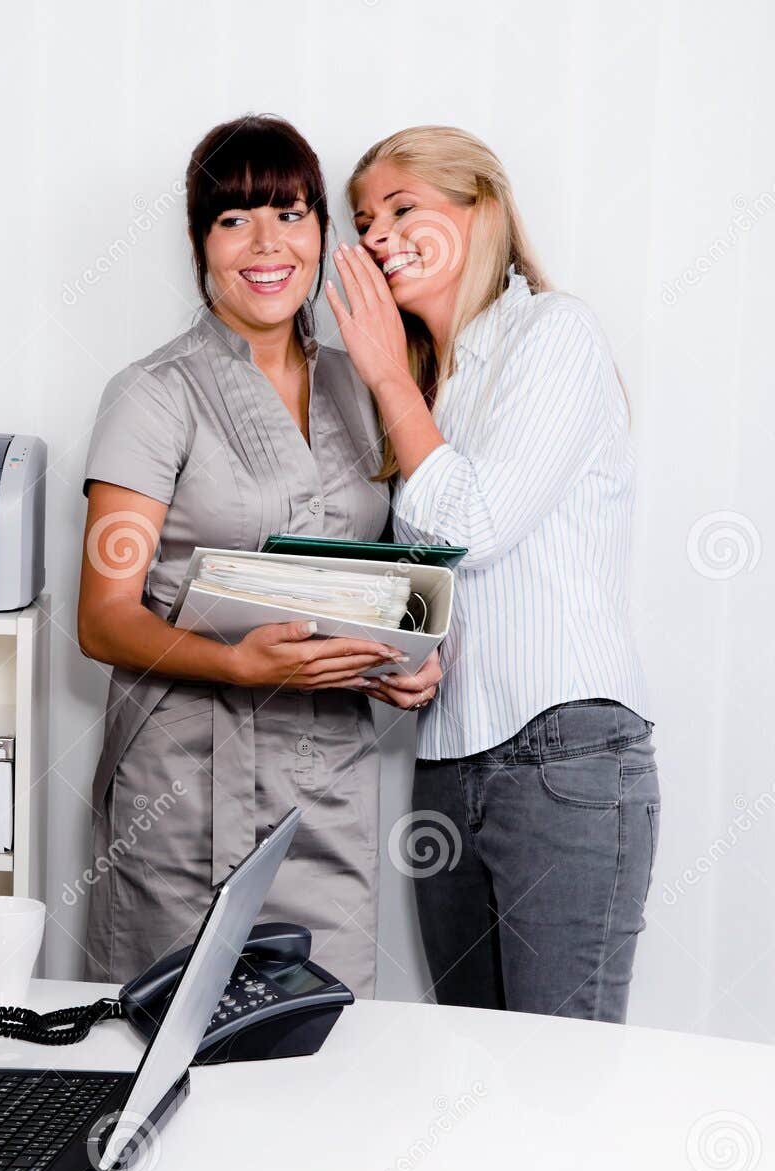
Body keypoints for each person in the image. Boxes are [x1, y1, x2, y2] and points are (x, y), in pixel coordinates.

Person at [76, 114, 440, 992]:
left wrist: (408, 661)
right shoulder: (153, 395)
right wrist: (236, 663)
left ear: (322, 231)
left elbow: (392, 574)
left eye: (290, 213)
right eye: (234, 219)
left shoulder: (366, 384)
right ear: (200, 243)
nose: (267, 243)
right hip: (184, 786)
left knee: (323, 1034)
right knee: (171, 1033)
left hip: (327, 779)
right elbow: (102, 619)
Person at [329, 125, 658, 1021]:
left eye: (403, 208)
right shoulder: (432, 387)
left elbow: (473, 527)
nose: (378, 235)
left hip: (566, 758)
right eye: (365, 221)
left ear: (483, 211)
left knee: (561, 1070)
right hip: (447, 765)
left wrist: (387, 378)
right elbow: (434, 581)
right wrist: (399, 659)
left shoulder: (553, 333)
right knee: (472, 1063)